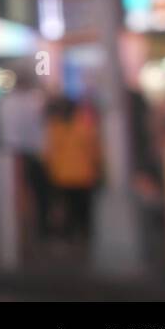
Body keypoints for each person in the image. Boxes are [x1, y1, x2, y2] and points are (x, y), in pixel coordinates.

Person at [0, 75, 49, 241]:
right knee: (32, 192)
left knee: (16, 192)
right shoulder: (32, 102)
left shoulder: (6, 102)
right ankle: (30, 228)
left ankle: (17, 229)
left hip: (11, 152)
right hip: (31, 152)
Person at [44, 96, 101, 245]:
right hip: (73, 175)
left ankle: (78, 235)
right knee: (76, 209)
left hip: (74, 175)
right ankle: (77, 235)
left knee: (77, 209)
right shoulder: (81, 125)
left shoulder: (60, 126)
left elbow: (49, 153)